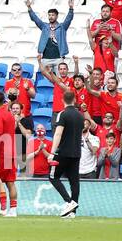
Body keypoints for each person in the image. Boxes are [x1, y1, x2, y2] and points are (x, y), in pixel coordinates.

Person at [48, 89, 84, 217]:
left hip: (63, 151)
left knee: (53, 176)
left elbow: (58, 133)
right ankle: (73, 212)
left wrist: (52, 152)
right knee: (74, 181)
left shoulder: (62, 114)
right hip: (76, 152)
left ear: (62, 100)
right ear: (74, 100)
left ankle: (69, 202)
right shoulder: (80, 115)